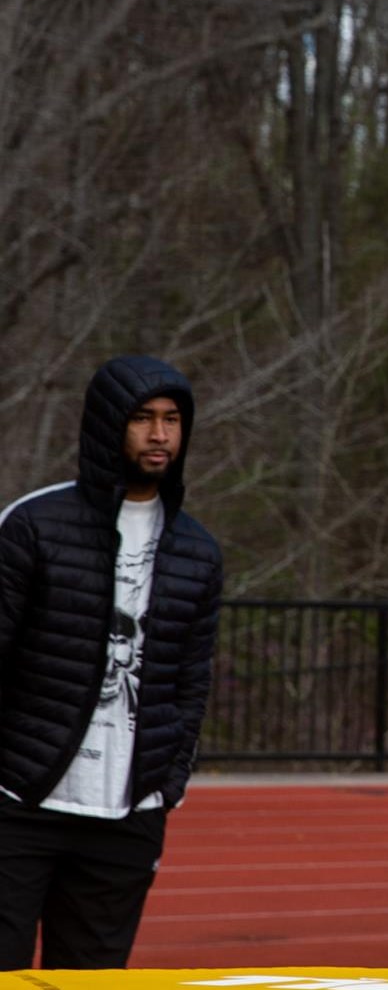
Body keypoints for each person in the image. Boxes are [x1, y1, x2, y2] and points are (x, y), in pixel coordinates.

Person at [0, 355, 225, 970]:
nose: (160, 436)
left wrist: (166, 781)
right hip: (20, 803)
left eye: (173, 420)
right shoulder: (33, 526)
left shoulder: (198, 551)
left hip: (127, 815)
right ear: (107, 426)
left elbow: (191, 676)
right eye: (143, 420)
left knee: (94, 983)